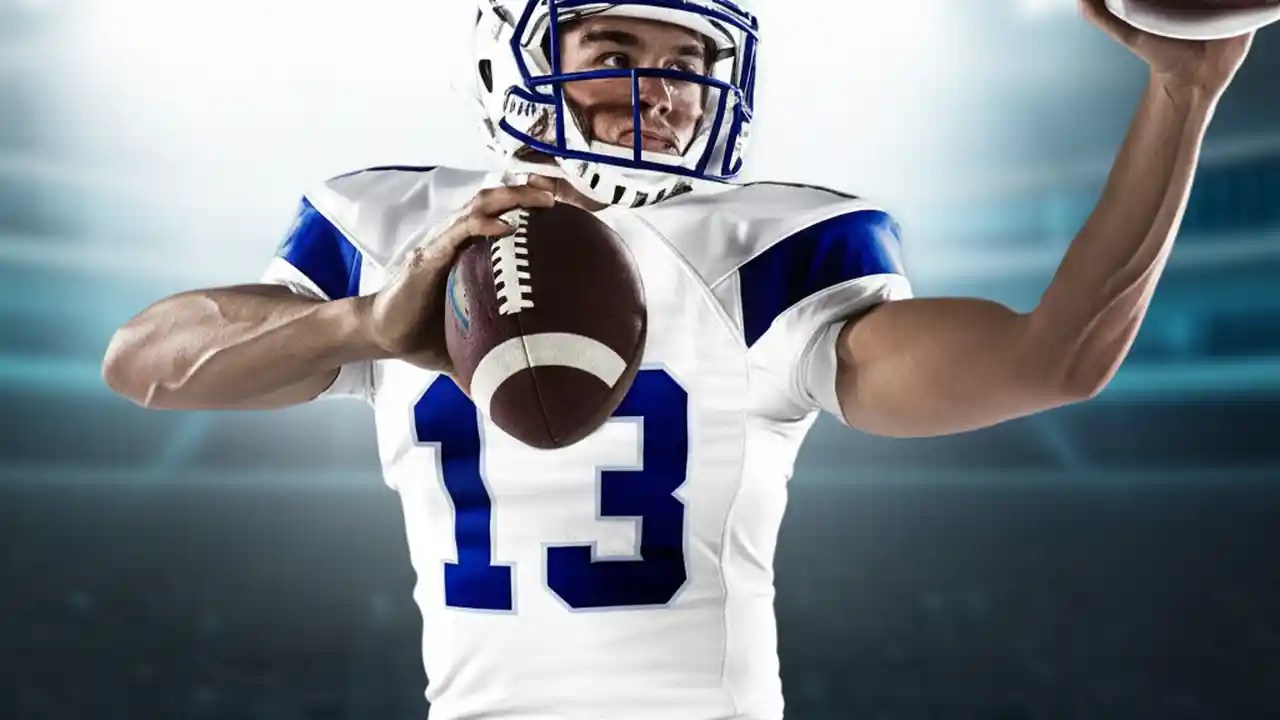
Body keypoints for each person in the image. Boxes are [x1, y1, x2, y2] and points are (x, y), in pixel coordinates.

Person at [100, 1, 1255, 717]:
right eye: (612, 48)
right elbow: (142, 363)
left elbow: (1047, 362)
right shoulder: (402, 228)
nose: (656, 90)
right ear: (520, 51)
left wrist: (1179, 94)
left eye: (686, 60)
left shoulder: (763, 247)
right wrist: (359, 326)